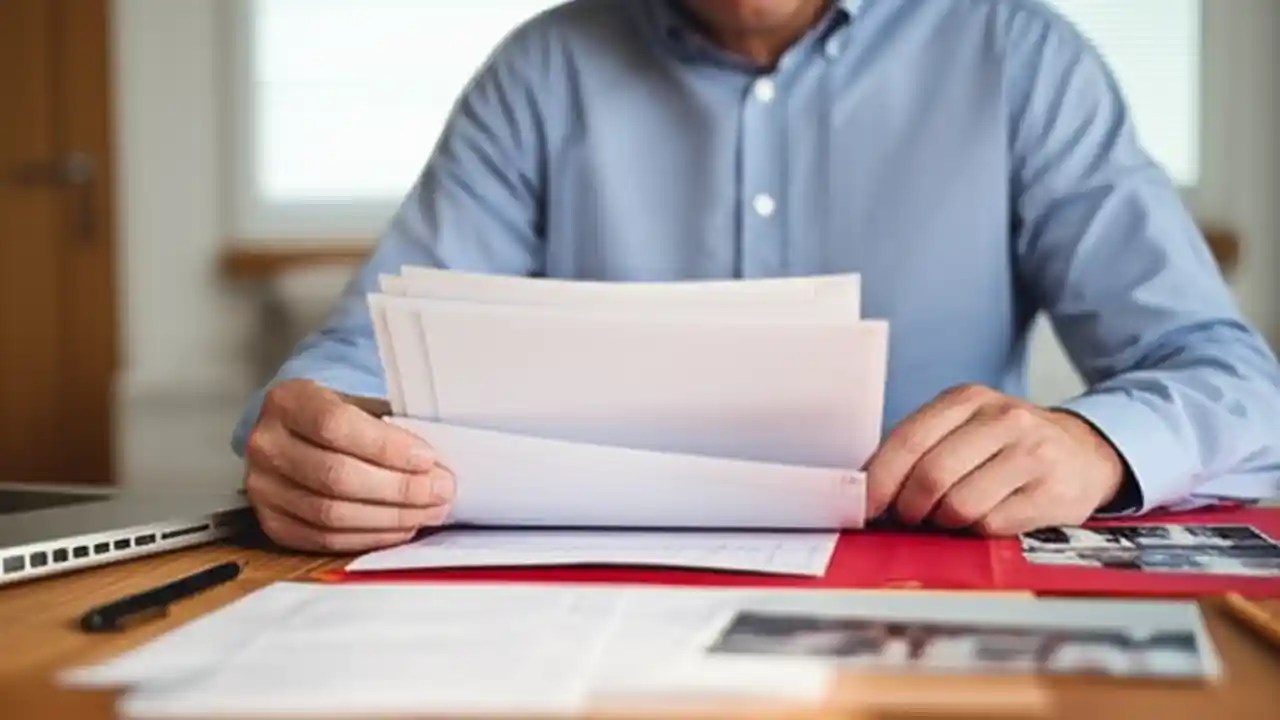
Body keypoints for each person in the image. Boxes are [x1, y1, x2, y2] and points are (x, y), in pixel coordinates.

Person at [233, 0, 1280, 553]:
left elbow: (1228, 379)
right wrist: (320, 436)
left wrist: (1094, 441)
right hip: (573, 611)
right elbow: (365, 357)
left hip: (926, 586)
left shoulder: (1021, 56)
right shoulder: (540, 72)